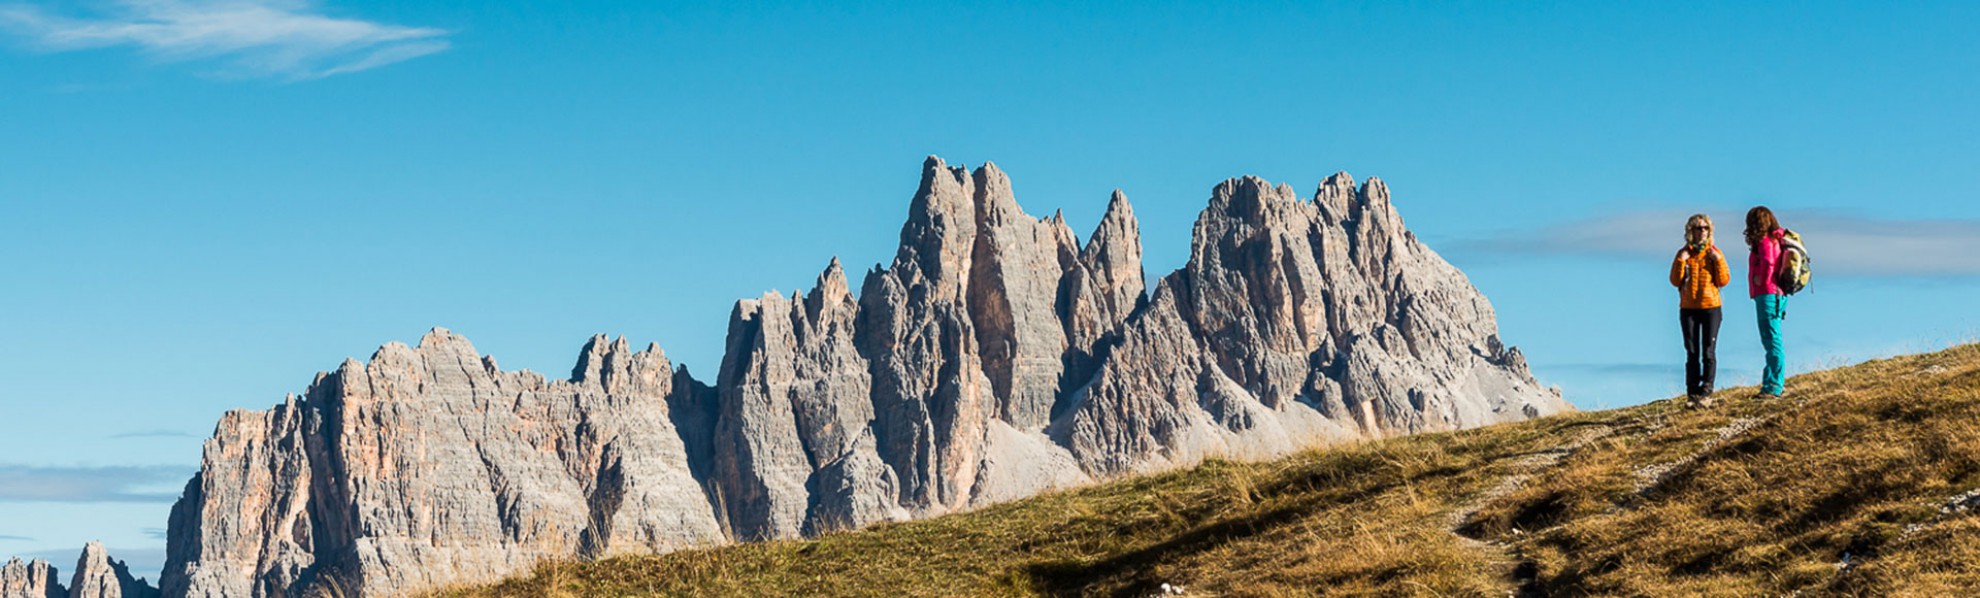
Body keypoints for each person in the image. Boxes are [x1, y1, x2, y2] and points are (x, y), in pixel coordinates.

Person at [1671, 214, 1730, 408]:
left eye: (1706, 228)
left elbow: (1724, 280)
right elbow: (1675, 281)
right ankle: (1692, 393)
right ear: (1691, 231)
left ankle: (1706, 391)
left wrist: (1718, 260)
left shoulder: (1714, 253)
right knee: (1692, 352)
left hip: (1711, 307)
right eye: (1698, 228)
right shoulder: (1683, 253)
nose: (1702, 231)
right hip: (1688, 308)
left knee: (1708, 351)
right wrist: (1681, 261)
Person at [1745, 206, 1789, 399]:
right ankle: (1773, 382)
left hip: (1769, 294)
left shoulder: (1765, 242)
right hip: (1776, 294)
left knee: (1771, 339)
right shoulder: (1775, 240)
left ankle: (1774, 385)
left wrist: (1761, 280)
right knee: (1772, 338)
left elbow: (1769, 263)